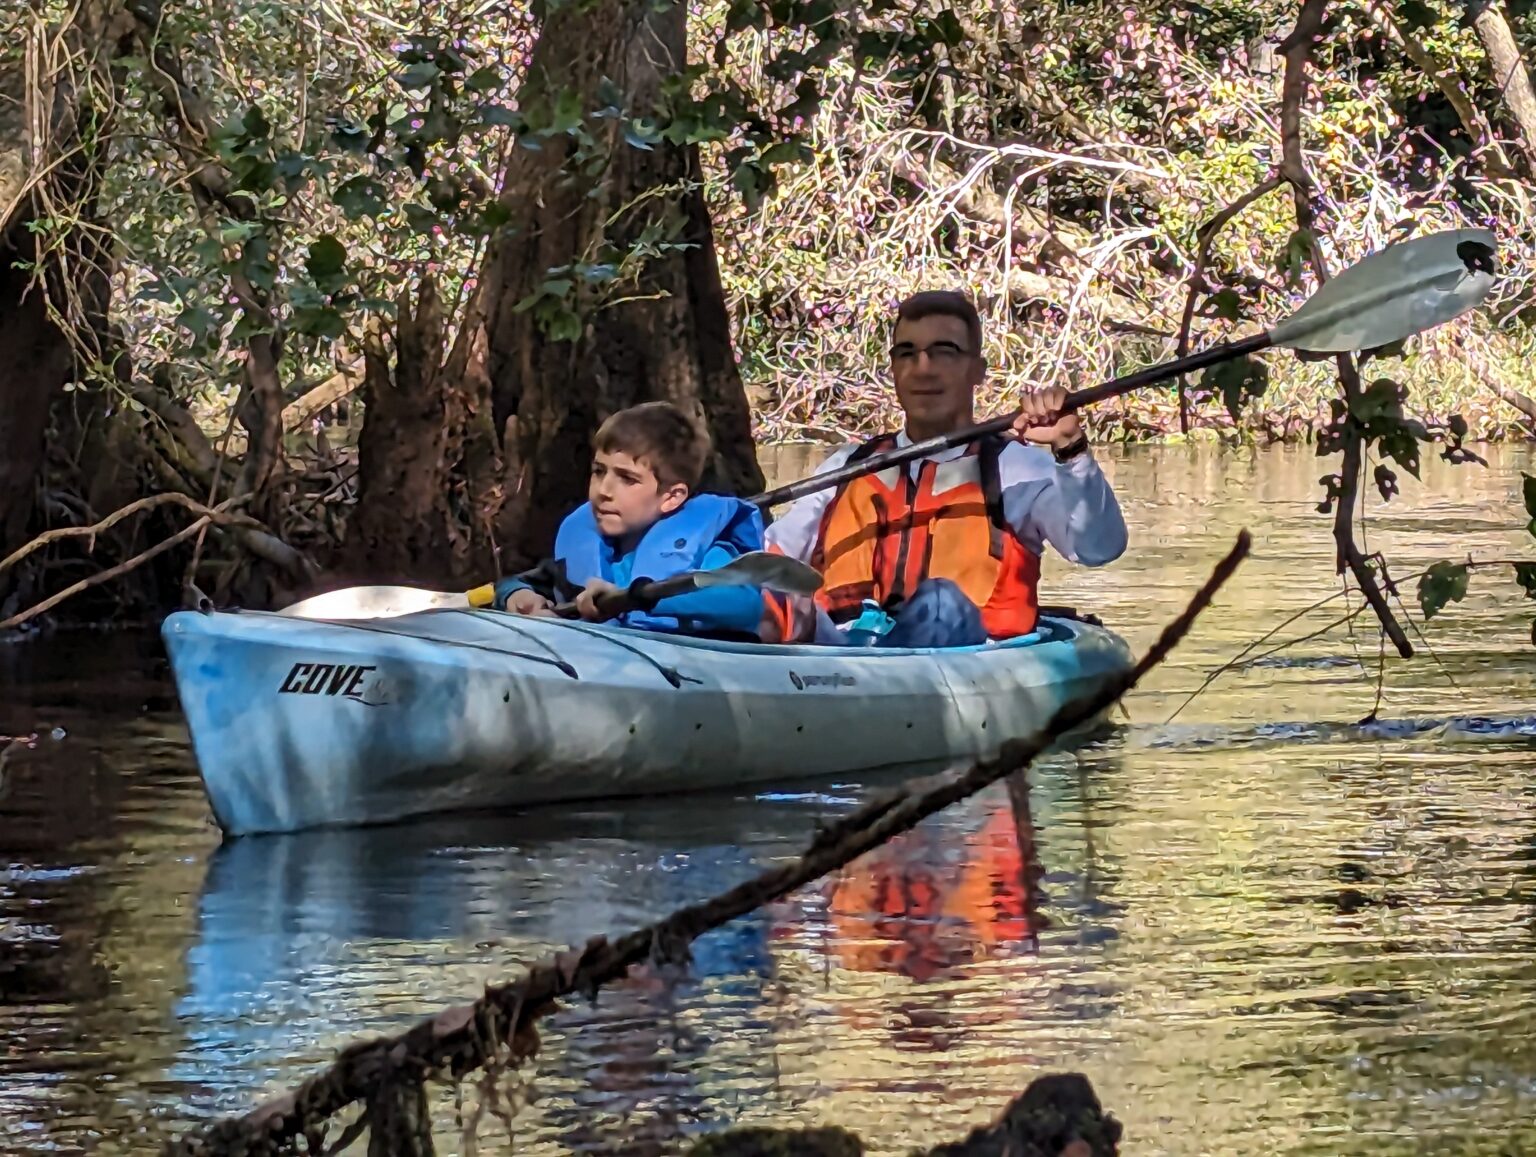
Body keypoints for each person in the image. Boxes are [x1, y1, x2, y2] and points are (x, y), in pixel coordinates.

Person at [763, 290, 1127, 648]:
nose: (923, 369)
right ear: (893, 369)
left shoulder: (1017, 467)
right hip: (843, 652)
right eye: (907, 353)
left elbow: (1099, 548)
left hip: (964, 652)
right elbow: (772, 556)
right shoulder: (848, 465)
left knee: (941, 604)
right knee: (728, 550)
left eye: (943, 352)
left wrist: (1070, 447)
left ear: (977, 371)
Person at [491, 401, 767, 640]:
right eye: (599, 472)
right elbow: (515, 583)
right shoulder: (586, 548)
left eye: (627, 478)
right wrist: (517, 596)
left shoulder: (709, 552)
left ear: (671, 497)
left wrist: (632, 597)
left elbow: (743, 604)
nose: (603, 491)